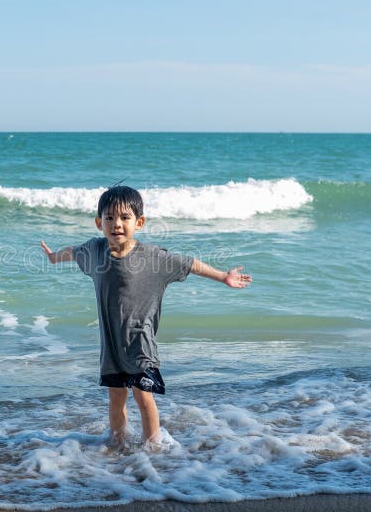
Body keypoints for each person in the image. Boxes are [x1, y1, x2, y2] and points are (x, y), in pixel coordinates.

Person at [40, 185, 251, 446]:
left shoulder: (152, 257)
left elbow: (189, 263)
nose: (116, 224)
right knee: (116, 397)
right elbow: (73, 252)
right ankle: (117, 444)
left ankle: (153, 449)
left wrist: (222, 276)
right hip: (111, 344)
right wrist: (53, 258)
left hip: (141, 342)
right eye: (109, 218)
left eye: (125, 218)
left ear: (139, 222)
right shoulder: (95, 251)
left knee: (143, 396)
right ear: (99, 223)